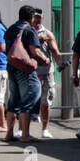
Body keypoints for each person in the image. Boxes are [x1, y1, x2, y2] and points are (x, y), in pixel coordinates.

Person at [3, 6, 47, 143]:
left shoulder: (11, 29)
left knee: (13, 100)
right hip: (25, 68)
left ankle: (9, 133)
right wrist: (45, 59)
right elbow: (34, 52)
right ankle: (25, 134)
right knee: (30, 96)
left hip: (11, 67)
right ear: (32, 16)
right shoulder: (29, 29)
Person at [32, 11, 61, 139]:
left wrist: (60, 63)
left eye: (39, 17)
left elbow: (55, 50)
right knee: (28, 99)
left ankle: (45, 128)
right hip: (31, 71)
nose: (37, 20)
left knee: (46, 100)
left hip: (46, 71)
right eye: (35, 17)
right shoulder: (27, 32)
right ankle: (23, 129)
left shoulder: (48, 34)